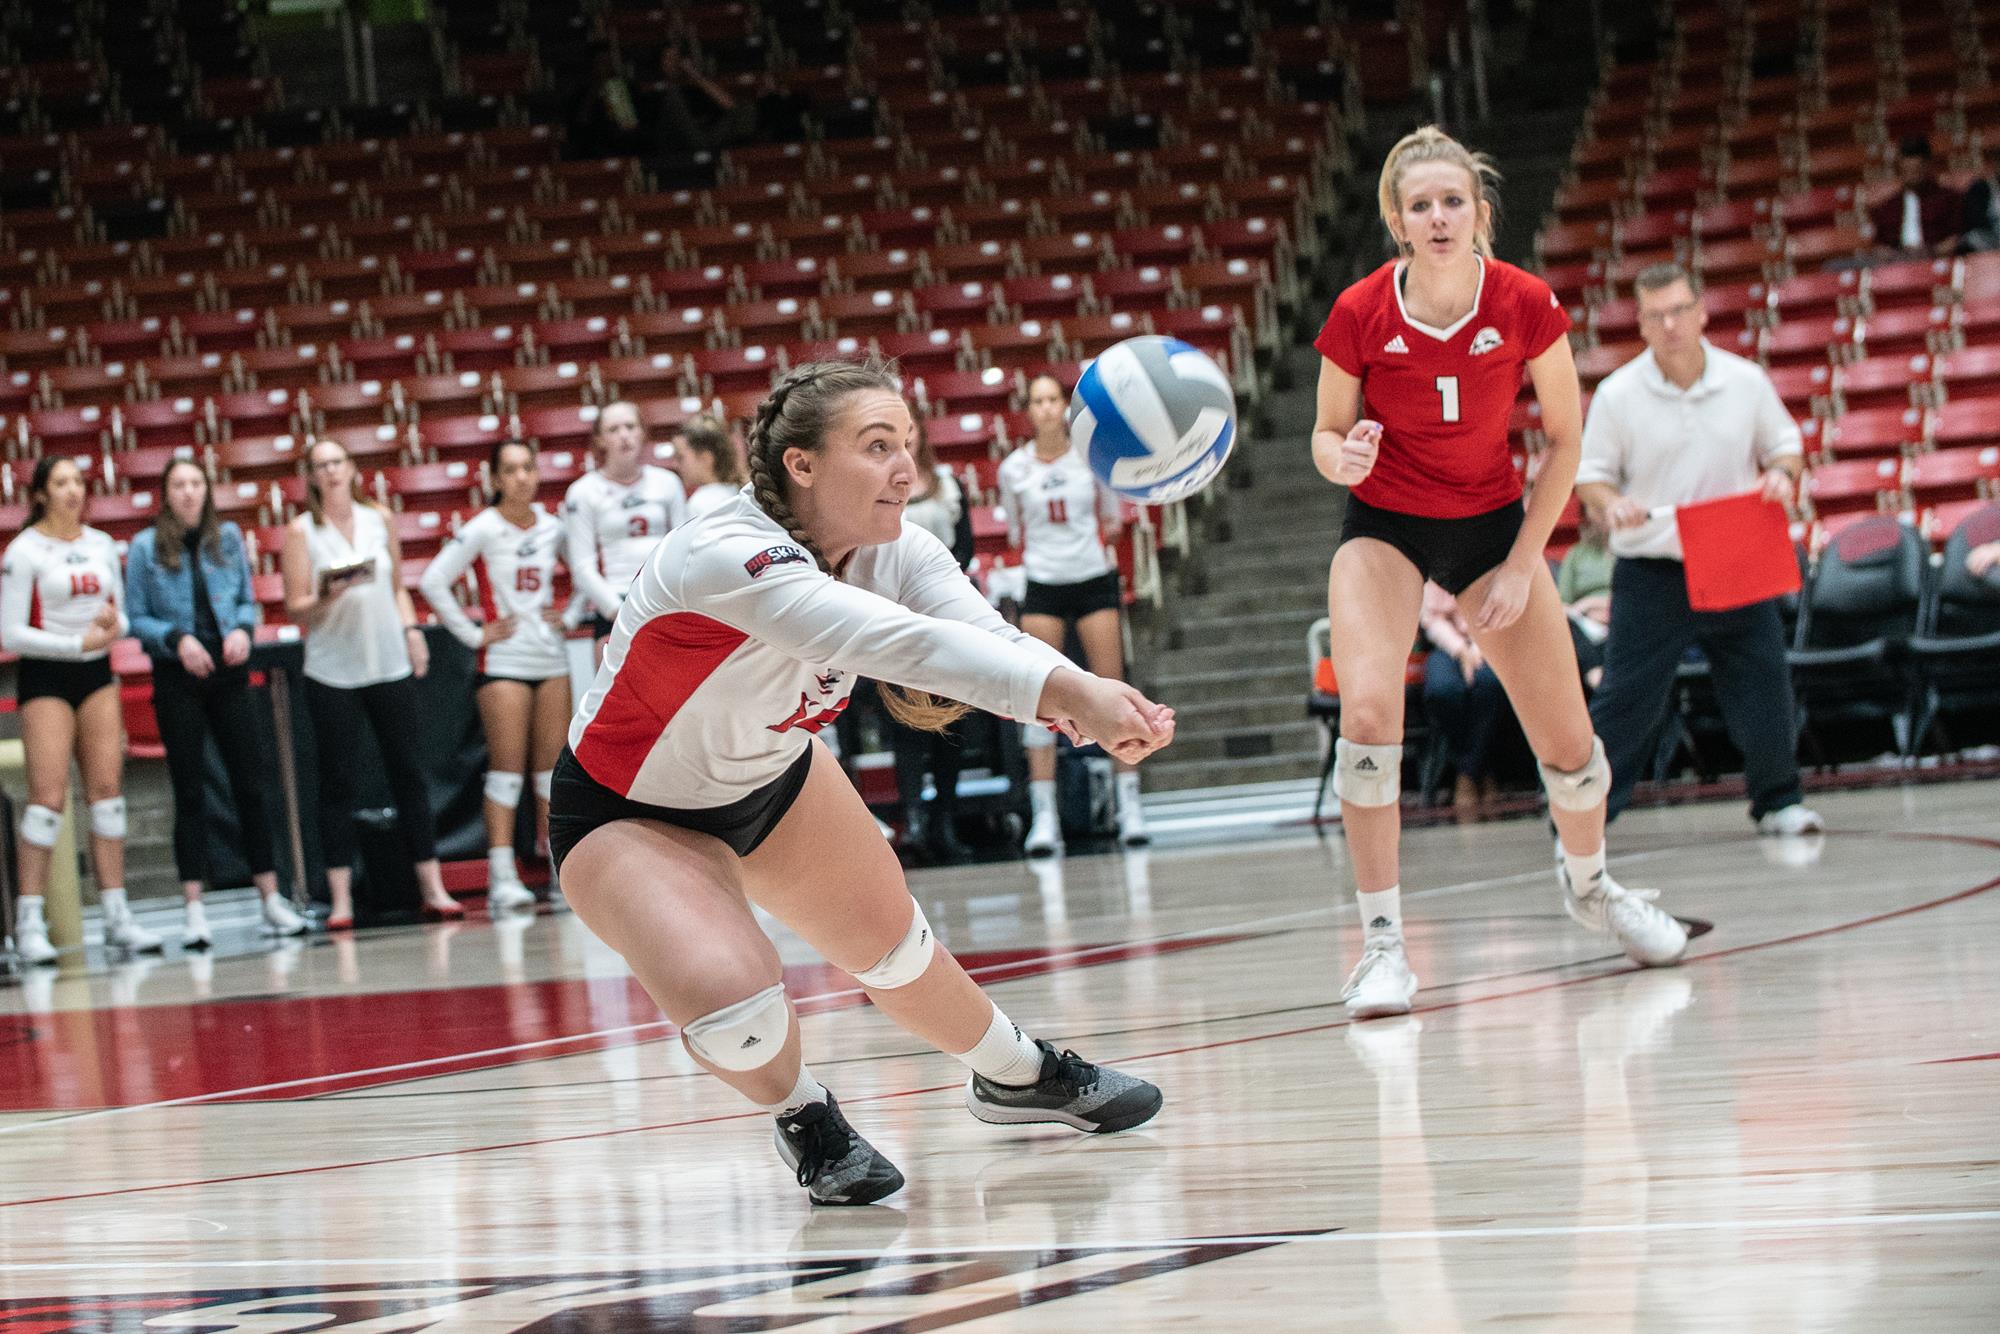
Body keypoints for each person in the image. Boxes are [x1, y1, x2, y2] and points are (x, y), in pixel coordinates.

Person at [553, 359, 1173, 1206]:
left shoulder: (897, 548)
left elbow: (983, 637)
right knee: (739, 1019)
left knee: (898, 953)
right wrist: (1073, 694)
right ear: (801, 464)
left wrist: (1086, 705)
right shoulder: (725, 554)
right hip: (628, 811)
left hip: (773, 782)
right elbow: (903, 647)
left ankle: (1017, 1076)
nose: (906, 470)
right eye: (878, 446)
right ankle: (801, 1110)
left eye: (909, 445)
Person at [1312, 125, 1690, 1020]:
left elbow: (1567, 441)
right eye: (1419, 205)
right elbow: (1325, 439)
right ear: (1396, 223)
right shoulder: (1359, 311)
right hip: (1385, 525)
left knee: (1571, 749)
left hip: (1490, 527)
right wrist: (1347, 457)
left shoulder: (1523, 301)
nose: (1438, 217)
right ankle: (1381, 948)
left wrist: (1523, 563)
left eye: (1453, 202)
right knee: (1367, 722)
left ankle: (1594, 887)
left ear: (1480, 214)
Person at [1574, 261, 1822, 837]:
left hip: (1733, 553)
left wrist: (1783, 474)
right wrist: (1611, 504)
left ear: (1702, 311)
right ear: (1640, 323)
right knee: (1626, 697)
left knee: (1763, 681)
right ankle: (1585, 820)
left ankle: (1779, 801)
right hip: (1652, 566)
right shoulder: (1618, 395)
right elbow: (1591, 476)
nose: (1670, 324)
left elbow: (1785, 445)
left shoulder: (1745, 381)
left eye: (1679, 310)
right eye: (1656, 315)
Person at [281, 438, 464, 928]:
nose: (331, 471)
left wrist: (412, 632)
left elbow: (398, 586)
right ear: (312, 477)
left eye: (338, 461)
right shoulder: (302, 532)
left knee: (409, 773)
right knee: (337, 781)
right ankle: (340, 898)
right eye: (321, 465)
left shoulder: (378, 518)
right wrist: (327, 592)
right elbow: (295, 606)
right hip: (332, 667)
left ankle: (432, 885)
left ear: (352, 468)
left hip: (386, 659)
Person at [125, 459, 308, 946]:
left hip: (228, 674)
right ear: (166, 494)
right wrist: (177, 638)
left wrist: (245, 632)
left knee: (251, 784)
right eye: (178, 485)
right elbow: (135, 617)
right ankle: (193, 910)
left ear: (207, 490)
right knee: (189, 792)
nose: (188, 492)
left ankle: (271, 897)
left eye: (196, 483)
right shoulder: (145, 547)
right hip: (176, 677)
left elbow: (247, 601)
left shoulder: (225, 538)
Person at [1, 457, 159, 963]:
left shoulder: (99, 545)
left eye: (78, 481)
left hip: (96, 674)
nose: (73, 490)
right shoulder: (24, 551)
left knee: (108, 795)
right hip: (48, 675)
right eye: (61, 482)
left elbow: (124, 616)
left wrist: (115, 624)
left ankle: (117, 915)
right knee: (47, 799)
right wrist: (74, 643)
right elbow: (9, 632)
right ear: (42, 493)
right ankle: (29, 921)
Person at [419, 440, 573, 914]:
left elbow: (586, 572)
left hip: (550, 659)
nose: (523, 477)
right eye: (511, 470)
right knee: (507, 773)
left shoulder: (553, 528)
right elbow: (432, 581)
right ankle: (502, 875)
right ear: (496, 480)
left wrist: (571, 615)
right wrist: (472, 634)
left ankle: (558, 870)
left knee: (552, 775)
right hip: (503, 661)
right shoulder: (483, 528)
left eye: (529, 467)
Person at [997, 373, 1147, 853]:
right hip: (1042, 582)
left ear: (1064, 405)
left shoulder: (1091, 457)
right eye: (1036, 400)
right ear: (1029, 409)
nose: (1045, 408)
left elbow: (1109, 520)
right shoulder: (1013, 468)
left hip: (1092, 579)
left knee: (1112, 687)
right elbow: (1016, 531)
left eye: (1052, 399)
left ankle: (1130, 807)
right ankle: (1045, 818)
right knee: (1036, 692)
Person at [891, 419, 977, 862]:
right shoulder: (881, 486)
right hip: (897, 615)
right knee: (904, 722)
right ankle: (915, 822)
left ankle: (945, 819)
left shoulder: (948, 483)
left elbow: (967, 545)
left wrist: (940, 586)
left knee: (951, 721)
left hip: (946, 610)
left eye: (910, 428)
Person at [564, 399, 688, 645]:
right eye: (613, 429)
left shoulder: (667, 482)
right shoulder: (583, 491)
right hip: (614, 602)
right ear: (599, 440)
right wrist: (619, 612)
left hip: (664, 598)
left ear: (642, 432)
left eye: (631, 426)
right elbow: (582, 568)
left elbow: (683, 548)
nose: (624, 436)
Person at [1417, 581, 1509, 811]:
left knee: (1491, 684)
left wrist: (1479, 648)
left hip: (1493, 640)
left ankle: (1466, 775)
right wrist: (1461, 650)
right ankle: (1480, 768)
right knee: (1442, 691)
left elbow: (1502, 609)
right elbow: (1432, 619)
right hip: (1448, 645)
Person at [1867, 136, 1962, 258]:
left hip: (1936, 260)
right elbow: (1879, 247)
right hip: (1897, 265)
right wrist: (1894, 256)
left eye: (1917, 170)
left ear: (1927, 166)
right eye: (1908, 171)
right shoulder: (1887, 208)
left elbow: (1957, 238)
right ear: (1900, 168)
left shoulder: (1949, 199)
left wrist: (1933, 252)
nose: (1913, 175)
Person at [675, 414, 746, 518]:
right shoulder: (739, 492)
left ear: (706, 458)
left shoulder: (700, 503)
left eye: (680, 457)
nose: (676, 464)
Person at [1963, 146, 2000, 253]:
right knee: (1974, 237)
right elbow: (1975, 221)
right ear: (1995, 164)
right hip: (1991, 241)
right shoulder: (1980, 188)